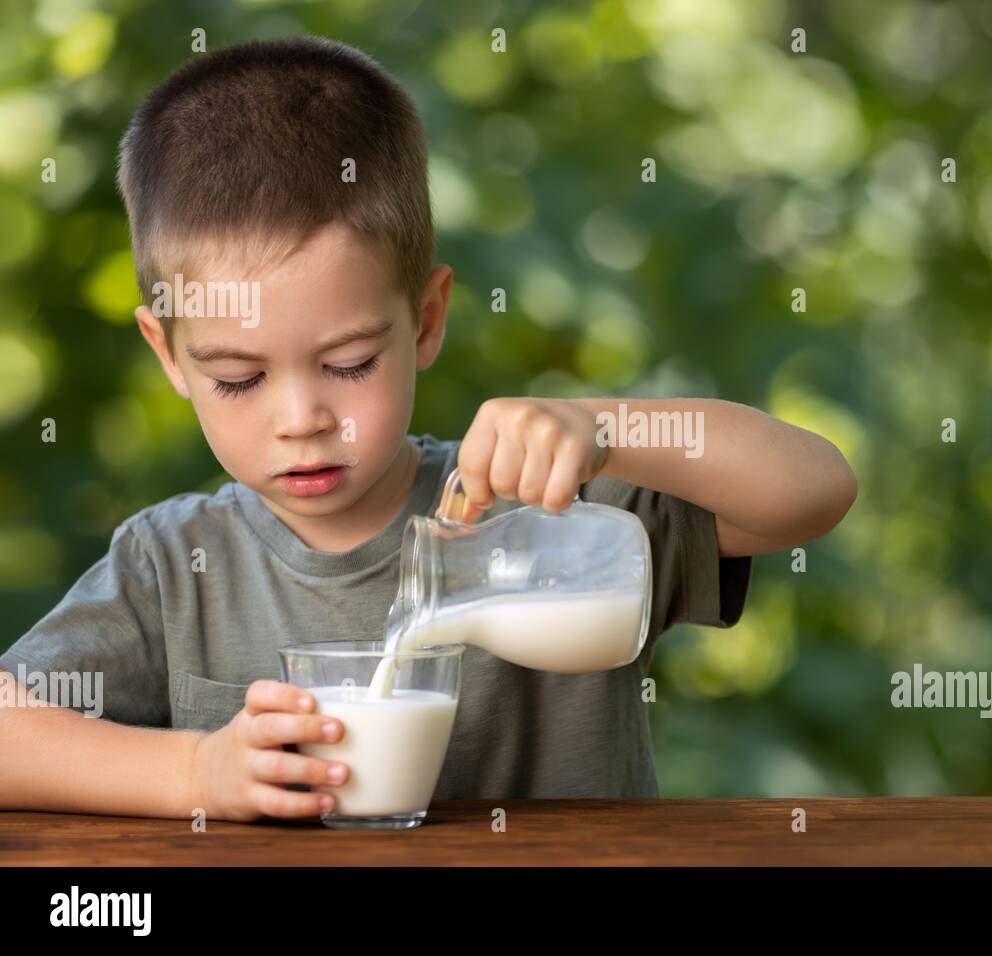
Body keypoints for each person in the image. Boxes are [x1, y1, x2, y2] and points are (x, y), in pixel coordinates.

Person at [0, 36, 858, 821]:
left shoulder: (550, 511)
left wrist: (606, 426)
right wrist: (196, 774)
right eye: (240, 377)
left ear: (425, 320)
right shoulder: (175, 570)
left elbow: (815, 490)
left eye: (348, 365)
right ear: (171, 356)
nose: (301, 419)